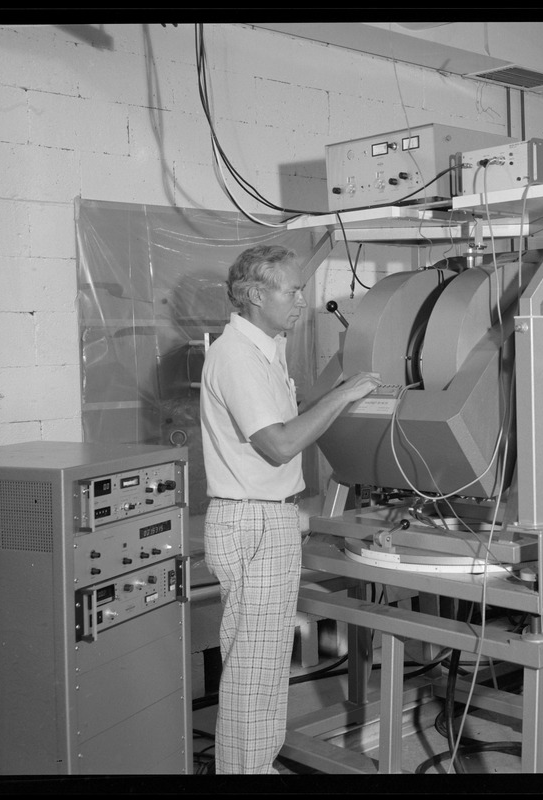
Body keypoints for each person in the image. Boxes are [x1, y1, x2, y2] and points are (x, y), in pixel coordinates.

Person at [200, 244, 380, 774]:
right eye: (292, 290)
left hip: (268, 517)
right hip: (252, 522)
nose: (302, 300)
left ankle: (256, 765)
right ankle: (245, 772)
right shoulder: (236, 356)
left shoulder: (266, 350)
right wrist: (342, 397)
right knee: (254, 672)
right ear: (257, 294)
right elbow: (277, 445)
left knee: (267, 663)